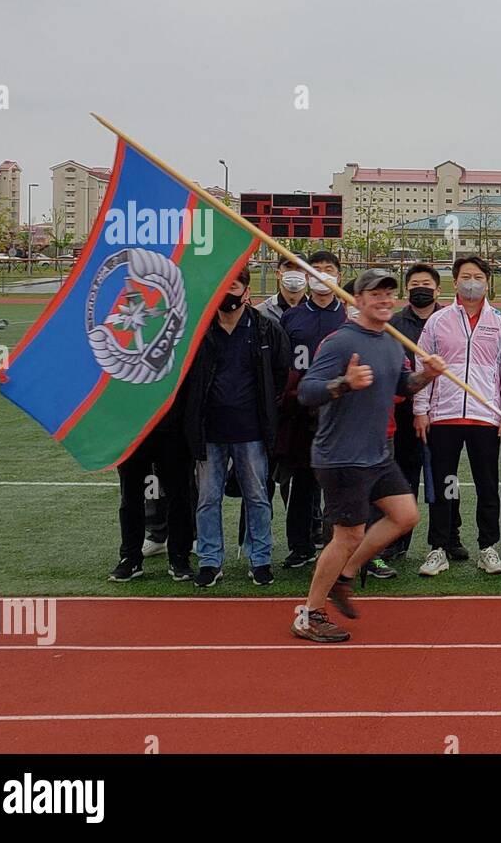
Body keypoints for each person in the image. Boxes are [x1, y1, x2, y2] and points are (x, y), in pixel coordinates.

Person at [292, 269, 447, 642]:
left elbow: (403, 386)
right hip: (341, 455)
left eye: (388, 293)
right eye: (374, 294)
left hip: (377, 453)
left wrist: (427, 375)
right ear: (357, 301)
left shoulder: (393, 340)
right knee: (347, 535)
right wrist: (345, 383)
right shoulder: (340, 342)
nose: (383, 299)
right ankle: (310, 613)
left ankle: (346, 576)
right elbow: (307, 392)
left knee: (405, 515)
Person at [183, 268, 291, 588]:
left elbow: (281, 374)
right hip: (209, 432)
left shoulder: (264, 329)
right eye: (221, 287)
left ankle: (260, 559)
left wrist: (266, 411)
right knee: (207, 498)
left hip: (251, 431)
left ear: (245, 291)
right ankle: (209, 559)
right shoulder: (199, 331)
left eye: (233, 286)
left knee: (257, 496)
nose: (227, 294)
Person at [413, 255, 501, 577]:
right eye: (465, 276)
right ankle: (439, 548)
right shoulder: (438, 321)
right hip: (443, 417)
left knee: (487, 485)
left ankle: (488, 547)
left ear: (487, 283)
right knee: (446, 485)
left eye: (477, 277)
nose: (471, 281)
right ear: (455, 282)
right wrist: (421, 410)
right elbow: (422, 368)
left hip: (485, 417)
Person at [277, 250, 346, 571]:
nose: (321, 275)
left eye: (328, 269)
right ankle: (301, 545)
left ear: (339, 276)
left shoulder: (347, 315)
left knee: (340, 483)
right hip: (302, 409)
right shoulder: (292, 317)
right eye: (315, 269)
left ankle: (338, 545)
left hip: (339, 411)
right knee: (302, 482)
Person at [382, 262, 447, 563]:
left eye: (427, 283)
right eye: (415, 284)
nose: (421, 288)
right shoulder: (393, 324)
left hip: (445, 412)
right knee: (406, 477)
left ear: (438, 289)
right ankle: (397, 542)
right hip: (406, 412)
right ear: (407, 289)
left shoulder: (450, 320)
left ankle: (446, 538)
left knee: (446, 479)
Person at [108, 392, 196, 583]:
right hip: (133, 430)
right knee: (130, 497)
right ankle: (130, 558)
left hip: (173, 427)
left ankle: (179, 557)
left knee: (179, 496)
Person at [256, 252, 307, 324]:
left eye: (299, 268)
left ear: (307, 276)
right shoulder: (261, 312)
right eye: (289, 267)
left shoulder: (316, 311)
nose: (294, 272)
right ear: (278, 274)